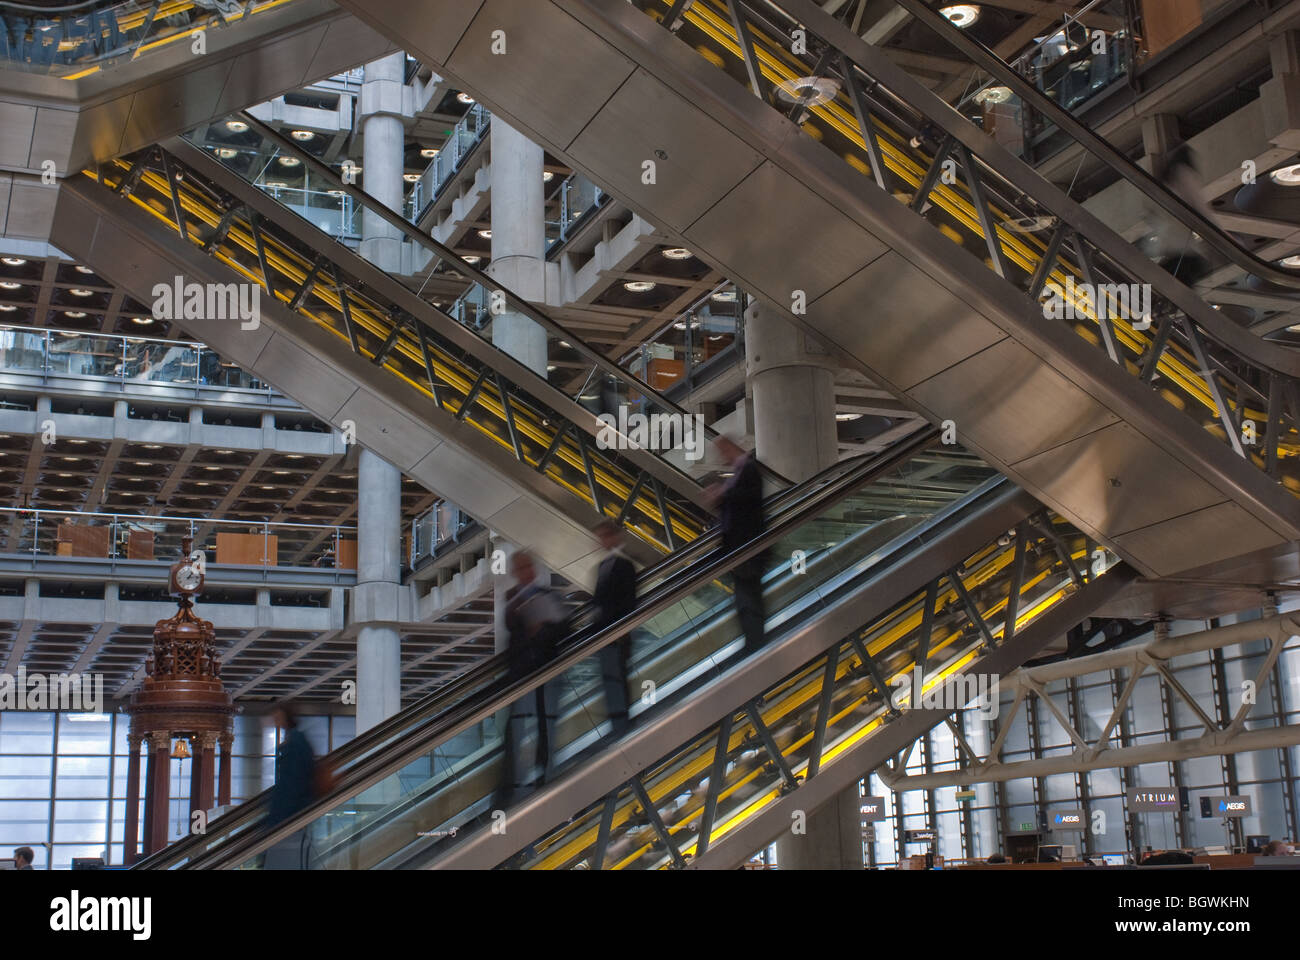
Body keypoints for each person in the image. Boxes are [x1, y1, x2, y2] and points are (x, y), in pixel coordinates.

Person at [493, 551, 566, 811]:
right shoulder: (511, 599)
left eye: (527, 567)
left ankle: (544, 779)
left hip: (546, 673)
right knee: (516, 731)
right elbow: (511, 634)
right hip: (522, 677)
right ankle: (508, 791)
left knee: (545, 729)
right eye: (519, 568)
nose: (525, 572)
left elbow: (563, 629)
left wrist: (543, 627)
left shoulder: (549, 597)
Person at [705, 435, 768, 655]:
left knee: (749, 599)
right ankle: (752, 642)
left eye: (723, 451)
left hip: (747, 549)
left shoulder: (748, 469)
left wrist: (723, 495)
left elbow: (748, 504)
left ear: (731, 448)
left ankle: (756, 644)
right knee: (744, 601)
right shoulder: (738, 473)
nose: (722, 456)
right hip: (739, 550)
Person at [592, 519, 637, 736]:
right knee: (610, 678)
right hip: (604, 635)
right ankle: (617, 722)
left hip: (616, 633)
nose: (602, 541)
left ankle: (622, 723)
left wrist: (622, 630)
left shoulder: (624, 565)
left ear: (615, 536)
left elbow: (628, 601)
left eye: (605, 536)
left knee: (617, 676)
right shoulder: (603, 566)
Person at [262, 702, 317, 869]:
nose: (275, 720)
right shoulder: (295, 740)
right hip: (291, 814)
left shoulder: (295, 742)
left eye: (278, 717)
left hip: (289, 815)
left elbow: (293, 783)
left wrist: (277, 817)